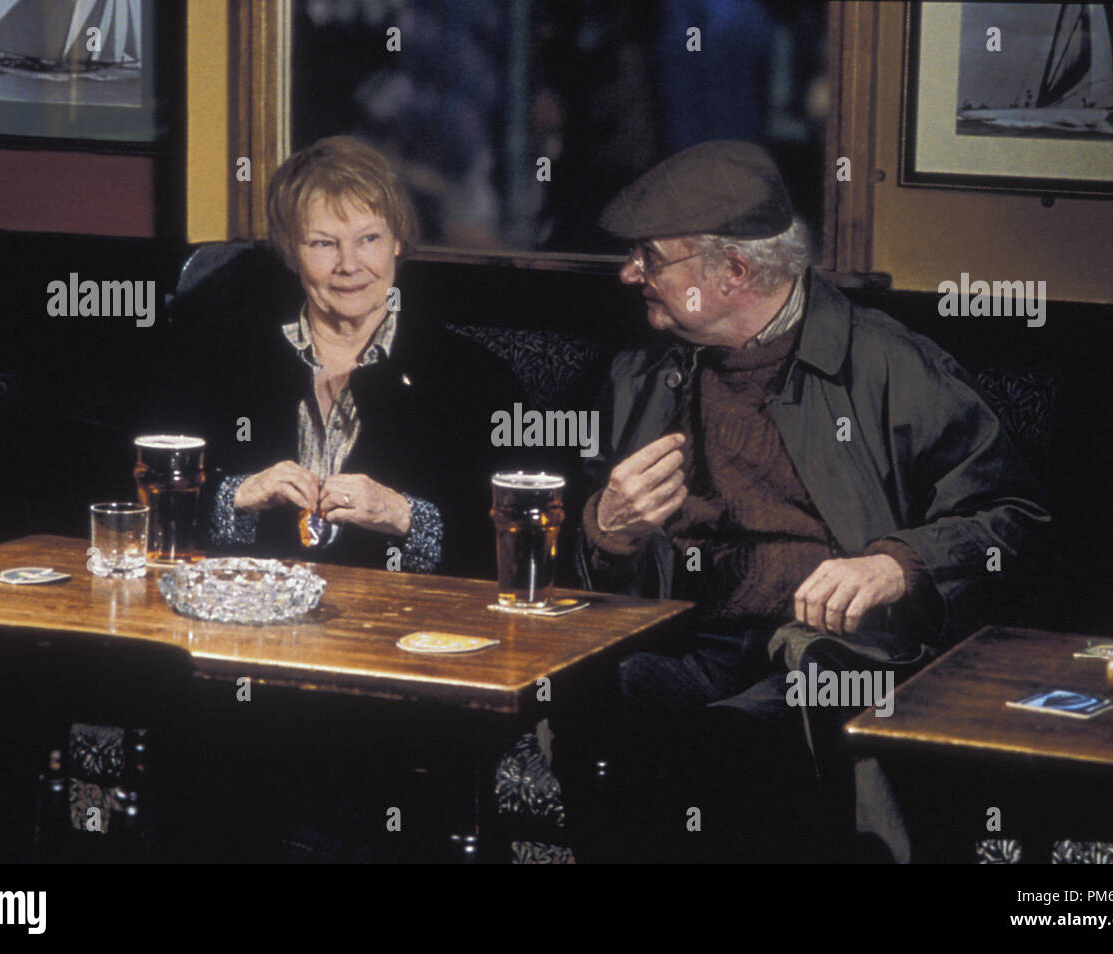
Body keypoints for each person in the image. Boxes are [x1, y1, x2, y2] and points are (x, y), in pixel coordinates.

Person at [578, 140, 1052, 860]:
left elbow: (1016, 519)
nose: (628, 272)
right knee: (586, 693)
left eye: (650, 257)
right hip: (691, 644)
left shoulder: (890, 366)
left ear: (733, 271)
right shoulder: (635, 375)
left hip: (837, 657)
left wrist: (898, 564)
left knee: (737, 743)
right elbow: (564, 566)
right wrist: (603, 533)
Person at [190, 135, 531, 575]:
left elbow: (515, 542)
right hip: (252, 622)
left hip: (408, 630)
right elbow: (153, 499)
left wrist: (405, 517)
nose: (349, 265)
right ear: (291, 253)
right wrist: (235, 496)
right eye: (323, 244)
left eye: (368, 238)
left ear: (396, 242)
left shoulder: (472, 377)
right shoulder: (225, 361)